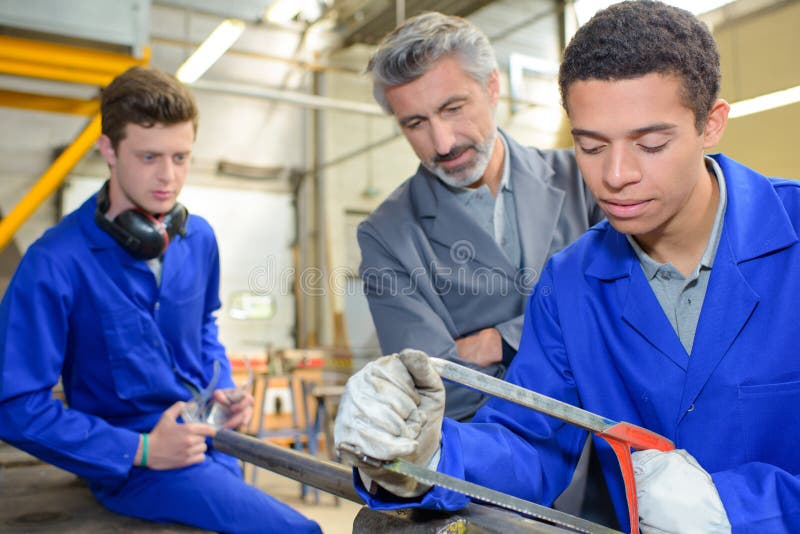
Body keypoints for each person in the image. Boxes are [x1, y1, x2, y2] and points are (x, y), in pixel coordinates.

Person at [335, 1, 800, 532]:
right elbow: (531, 439)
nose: (616, 175)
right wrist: (429, 456)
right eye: (591, 146)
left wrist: (745, 508)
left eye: (650, 144)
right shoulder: (571, 281)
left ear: (711, 124)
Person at [0, 66, 321, 533]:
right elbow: (14, 406)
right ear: (108, 149)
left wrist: (223, 390)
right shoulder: (56, 261)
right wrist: (142, 450)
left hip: (210, 440)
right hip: (135, 467)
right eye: (149, 156)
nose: (168, 178)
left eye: (181, 157)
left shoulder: (199, 238)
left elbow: (205, 326)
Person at [358, 11, 604, 422]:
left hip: (618, 458)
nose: (442, 142)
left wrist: (502, 340)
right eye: (416, 123)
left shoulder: (587, 177)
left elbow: (630, 312)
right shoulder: (386, 235)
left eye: (453, 108)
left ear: (492, 87)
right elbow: (436, 388)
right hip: (497, 463)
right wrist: (573, 342)